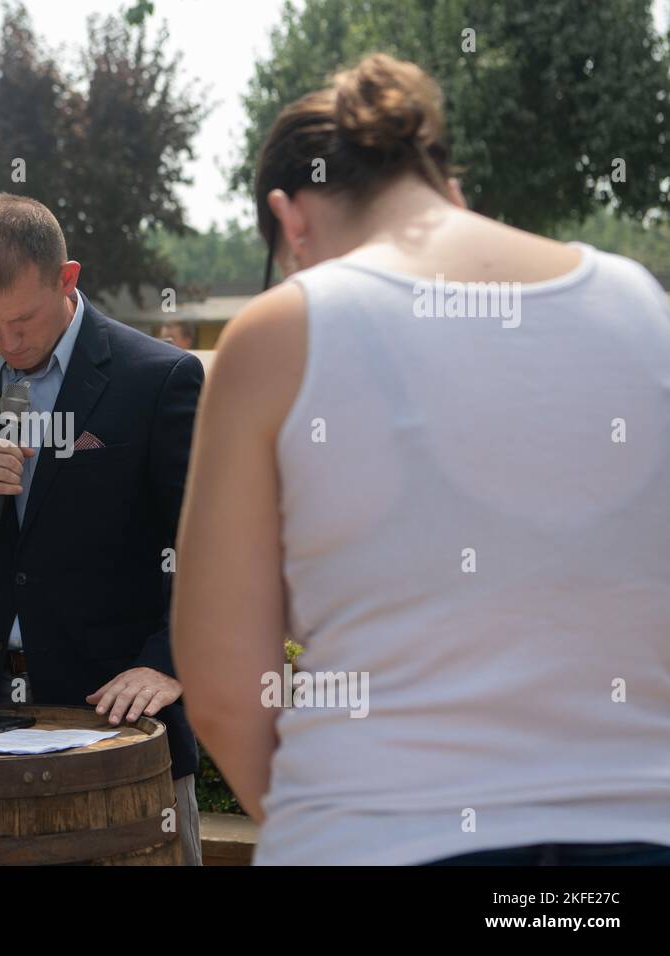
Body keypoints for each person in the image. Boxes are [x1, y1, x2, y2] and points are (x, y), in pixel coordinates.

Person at [173, 54, 670, 865]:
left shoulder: (277, 336)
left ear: (291, 221)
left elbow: (228, 692)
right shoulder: (643, 306)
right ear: (451, 186)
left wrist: (333, 820)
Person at [0, 193, 206, 864]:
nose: (8, 341)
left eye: (23, 318)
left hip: (116, 724)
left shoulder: (160, 379)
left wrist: (171, 661)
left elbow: (211, 549)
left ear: (68, 278)